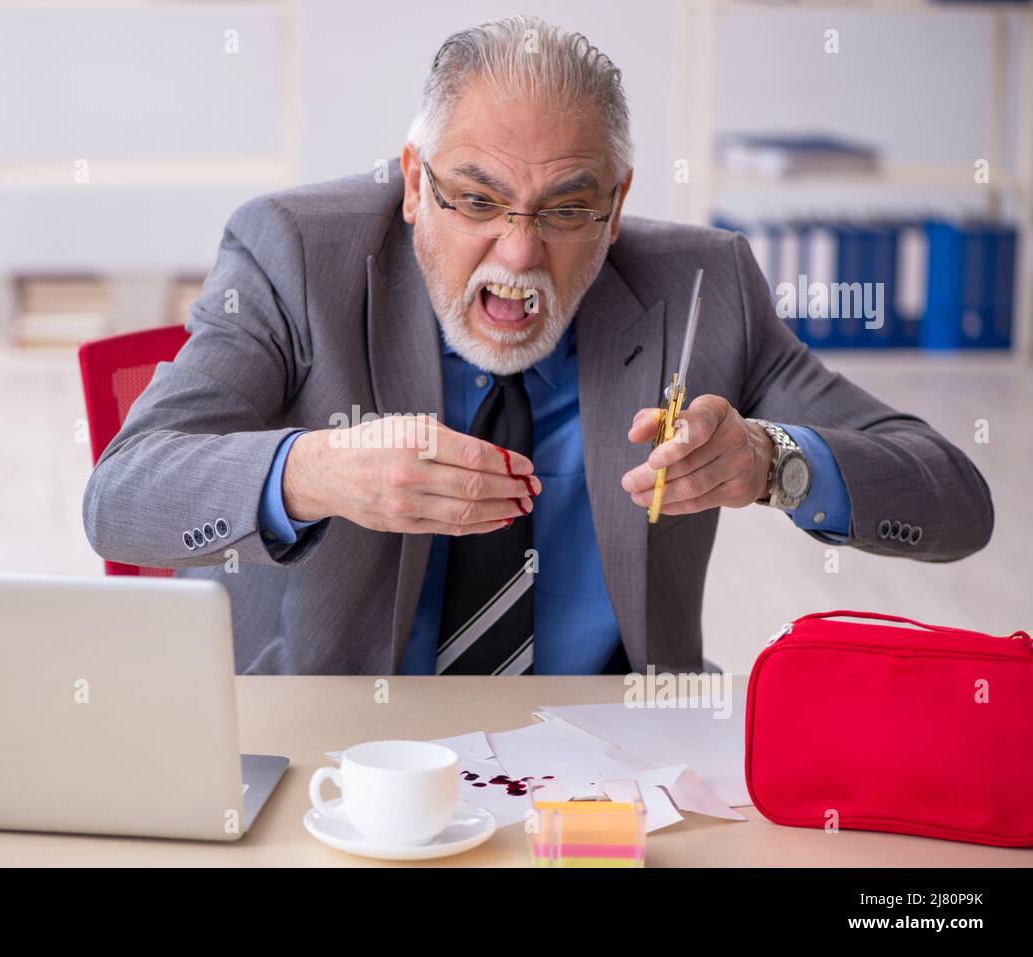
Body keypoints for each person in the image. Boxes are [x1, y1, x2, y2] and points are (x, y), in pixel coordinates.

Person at [83, 16, 993, 675]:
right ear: (412, 183)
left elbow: (954, 498)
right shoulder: (293, 255)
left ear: (617, 205)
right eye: (476, 201)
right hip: (341, 764)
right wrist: (316, 472)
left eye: (565, 210)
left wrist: (775, 461)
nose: (520, 254)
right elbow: (122, 496)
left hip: (613, 777)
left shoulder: (703, 289)